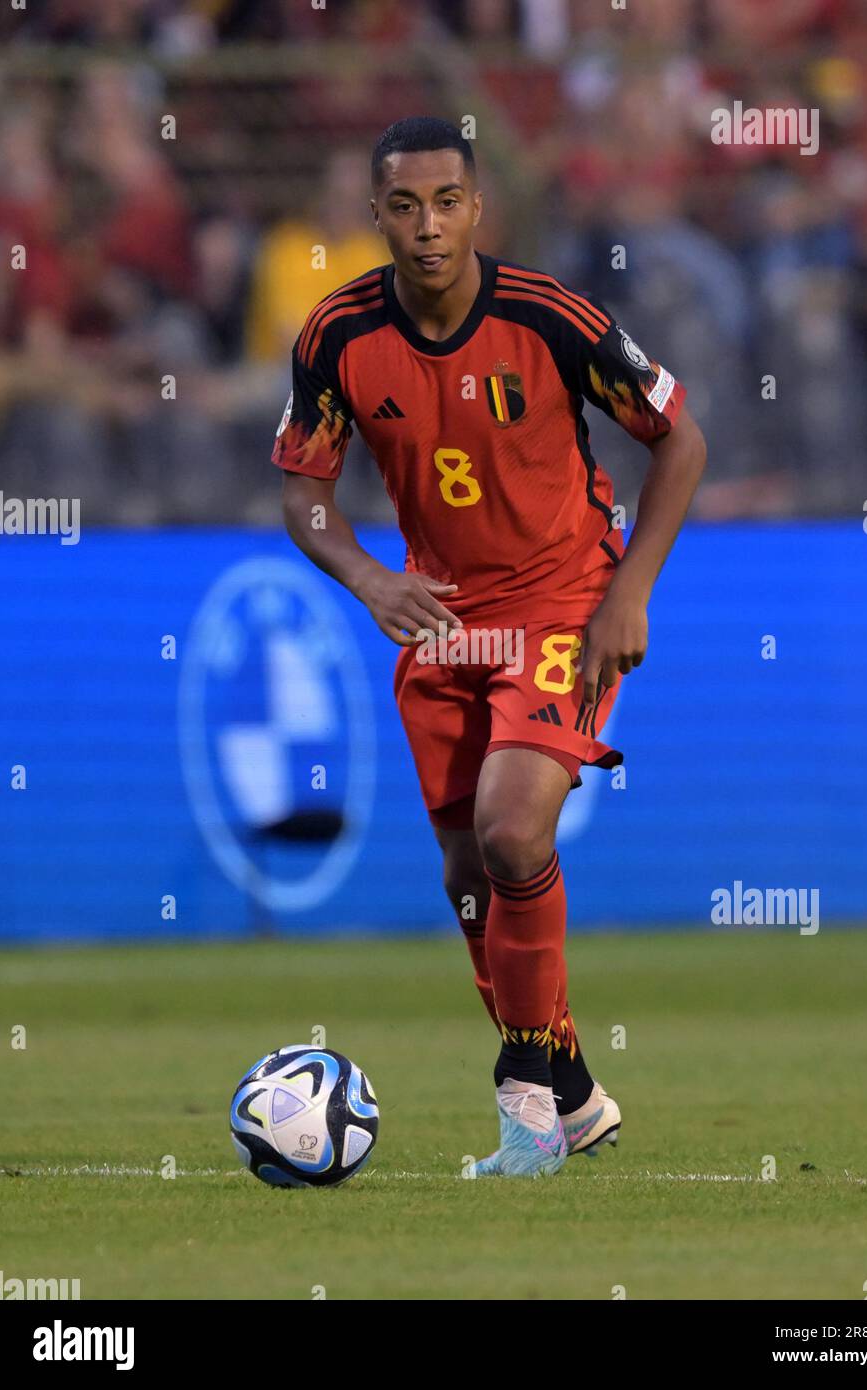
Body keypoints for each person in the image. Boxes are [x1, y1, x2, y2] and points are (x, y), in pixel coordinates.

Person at [275, 116, 707, 1177]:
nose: (427, 227)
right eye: (404, 206)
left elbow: (678, 438)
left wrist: (629, 590)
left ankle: (524, 1108)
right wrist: (371, 577)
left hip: (565, 602)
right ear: (374, 215)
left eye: (447, 202)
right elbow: (305, 490)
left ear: (478, 208)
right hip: (442, 621)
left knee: (514, 833)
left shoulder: (549, 318)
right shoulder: (335, 336)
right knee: (469, 869)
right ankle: (571, 1091)